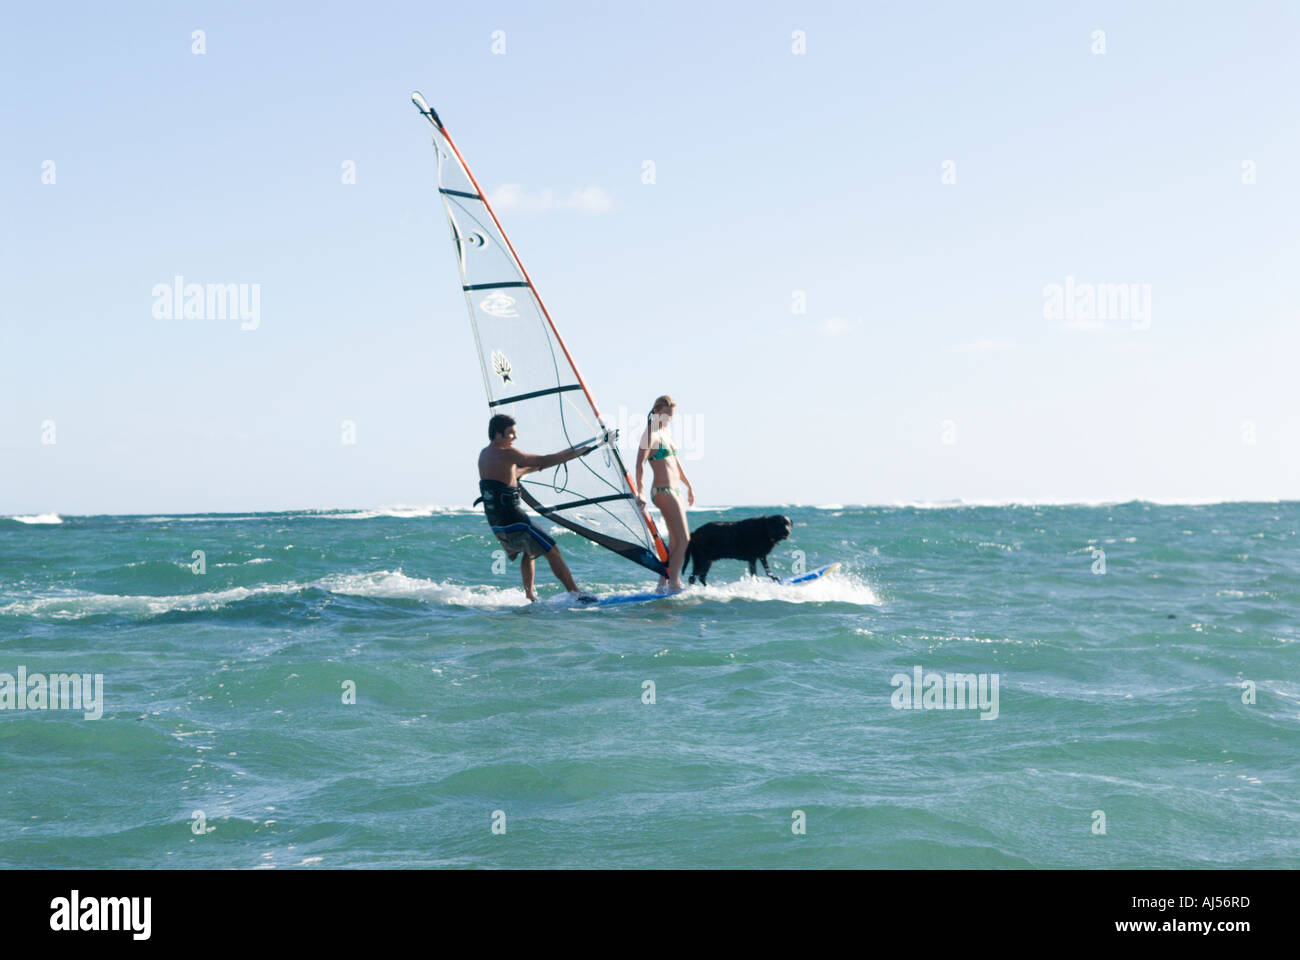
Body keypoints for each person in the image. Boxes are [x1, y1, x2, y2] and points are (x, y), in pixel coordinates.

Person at [477, 413, 596, 602]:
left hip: (497, 522)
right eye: (510, 434)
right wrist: (576, 453)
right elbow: (543, 460)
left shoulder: (485, 454)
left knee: (529, 551)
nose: (515, 438)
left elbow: (516, 472)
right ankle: (576, 593)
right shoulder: (509, 454)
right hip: (514, 518)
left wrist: (539, 466)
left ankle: (530, 596)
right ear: (498, 434)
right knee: (553, 550)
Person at [634, 395, 694, 592]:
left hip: (675, 490)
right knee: (684, 539)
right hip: (663, 491)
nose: (670, 419)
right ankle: (675, 583)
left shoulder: (665, 433)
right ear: (657, 411)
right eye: (667, 414)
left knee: (675, 540)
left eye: (672, 416)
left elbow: (675, 463)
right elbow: (640, 464)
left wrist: (689, 485)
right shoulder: (650, 434)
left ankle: (663, 584)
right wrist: (640, 492)